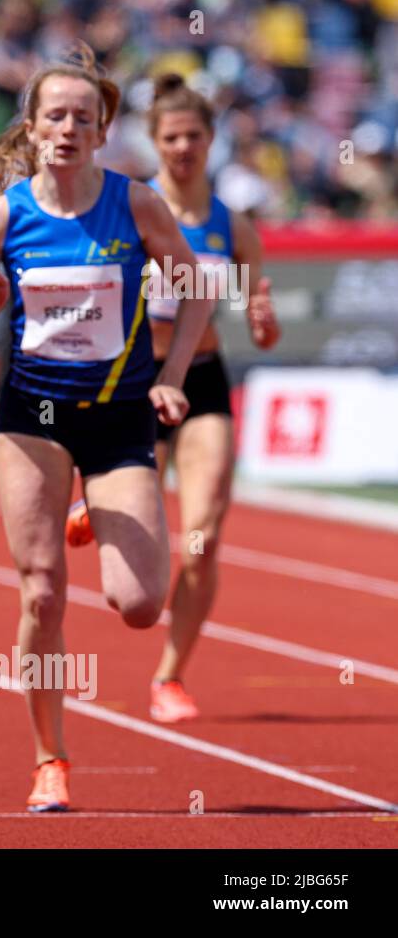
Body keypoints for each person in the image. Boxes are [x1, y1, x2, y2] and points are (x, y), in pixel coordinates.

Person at [0, 44, 212, 811]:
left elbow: (195, 293)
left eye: (82, 119)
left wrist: (172, 377)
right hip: (32, 419)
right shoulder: (5, 216)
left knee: (139, 605)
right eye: (53, 116)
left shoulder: (137, 205)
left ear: (102, 130)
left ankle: (94, 505)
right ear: (30, 127)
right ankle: (49, 757)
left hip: (120, 418)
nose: (66, 129)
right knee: (43, 591)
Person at [68, 74, 280, 723]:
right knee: (144, 509)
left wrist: (265, 320)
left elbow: (259, 321)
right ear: (155, 143)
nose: (183, 146)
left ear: (212, 140)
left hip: (205, 380)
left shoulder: (232, 225)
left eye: (193, 135)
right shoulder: (133, 209)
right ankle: (101, 502)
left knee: (204, 537)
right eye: (171, 137)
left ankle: (169, 676)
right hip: (135, 379)